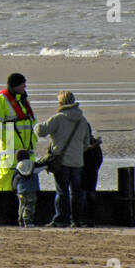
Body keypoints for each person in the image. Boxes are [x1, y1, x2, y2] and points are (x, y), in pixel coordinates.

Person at [36, 90, 92, 228]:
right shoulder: (83, 120)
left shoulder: (58, 118)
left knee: (62, 192)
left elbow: (40, 131)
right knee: (76, 192)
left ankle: (61, 219)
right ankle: (77, 220)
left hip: (61, 162)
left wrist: (35, 124)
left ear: (61, 102)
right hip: (77, 161)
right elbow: (86, 143)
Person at [0, 73, 37, 191]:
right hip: (11, 154)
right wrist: (13, 143)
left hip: (27, 153)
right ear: (15, 85)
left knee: (29, 186)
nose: (25, 86)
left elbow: (31, 124)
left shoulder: (23, 101)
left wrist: (32, 142)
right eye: (22, 83)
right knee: (6, 183)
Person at [12, 150, 42, 228]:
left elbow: (14, 180)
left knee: (22, 206)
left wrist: (15, 189)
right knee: (30, 206)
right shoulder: (33, 166)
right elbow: (42, 167)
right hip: (32, 190)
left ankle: (21, 221)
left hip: (21, 191)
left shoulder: (18, 168)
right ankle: (28, 221)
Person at [81, 134, 104, 227]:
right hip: (92, 174)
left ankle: (82, 219)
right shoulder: (95, 144)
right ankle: (90, 220)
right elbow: (99, 160)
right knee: (91, 194)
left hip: (83, 174)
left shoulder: (80, 143)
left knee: (81, 195)